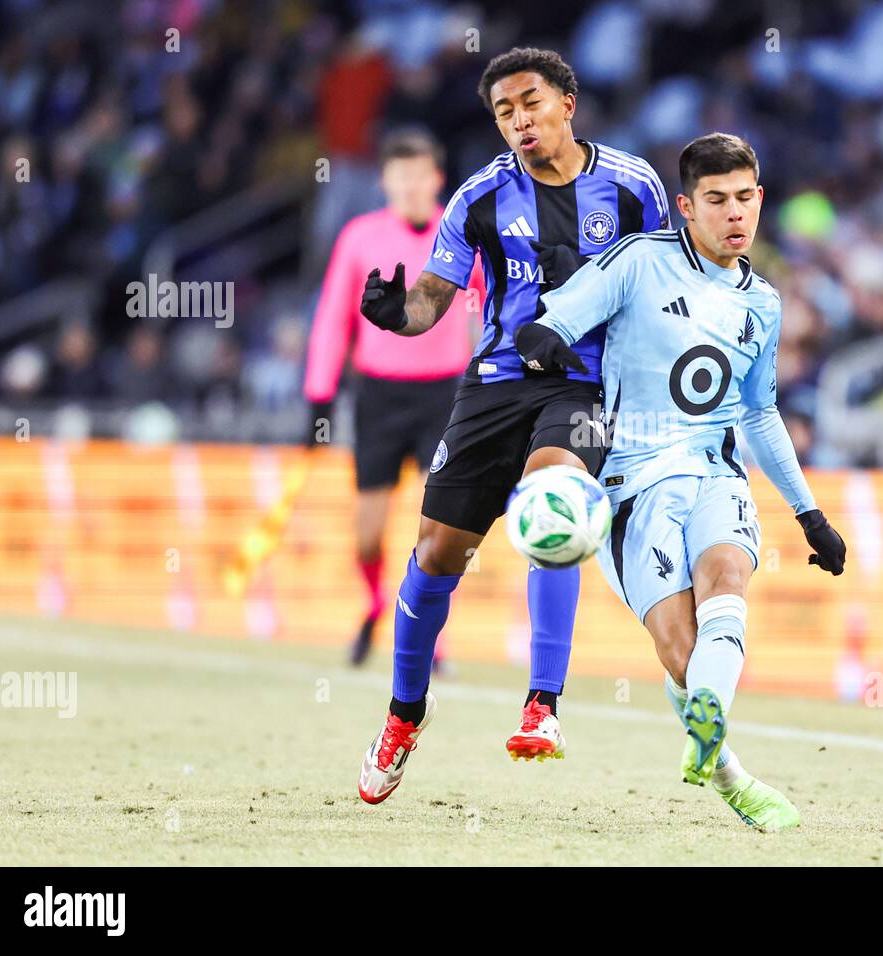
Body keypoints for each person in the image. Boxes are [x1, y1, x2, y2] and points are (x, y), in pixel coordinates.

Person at [355, 48, 669, 804]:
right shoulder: (479, 199)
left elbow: (664, 287)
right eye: (504, 112)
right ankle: (404, 714)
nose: (519, 121)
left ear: (568, 102)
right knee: (435, 554)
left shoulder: (634, 189)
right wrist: (400, 316)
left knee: (552, 503)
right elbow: (435, 293)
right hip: (496, 387)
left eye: (531, 103)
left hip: (588, 387)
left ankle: (543, 705)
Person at [515, 133, 847, 830]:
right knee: (680, 651)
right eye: (718, 201)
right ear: (686, 207)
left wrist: (808, 514)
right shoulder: (641, 260)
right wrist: (547, 334)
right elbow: (571, 307)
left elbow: (760, 410)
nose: (736, 215)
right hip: (632, 486)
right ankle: (726, 769)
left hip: (715, 471)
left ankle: (711, 720)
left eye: (747, 199)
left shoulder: (764, 304)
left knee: (727, 574)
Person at [303, 129, 481, 666]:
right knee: (368, 534)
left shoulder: (462, 231)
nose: (410, 186)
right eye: (399, 176)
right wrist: (320, 392)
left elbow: (496, 294)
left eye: (419, 175)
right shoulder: (359, 237)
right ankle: (378, 602)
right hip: (378, 396)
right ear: (384, 181)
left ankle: (431, 636)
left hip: (444, 394)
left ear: (437, 179)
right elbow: (334, 316)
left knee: (439, 531)